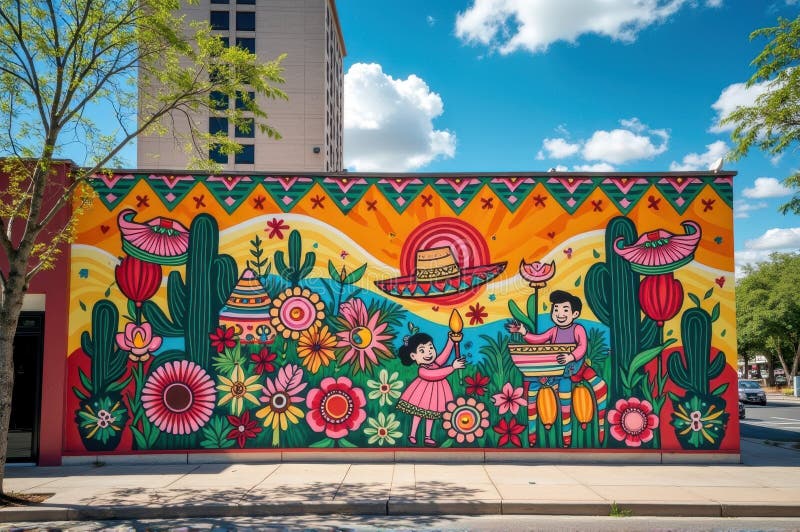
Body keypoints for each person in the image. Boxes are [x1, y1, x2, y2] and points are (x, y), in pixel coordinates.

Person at [506, 290, 607, 448]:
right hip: (554, 371)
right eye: (556, 310)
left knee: (568, 399)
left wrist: (570, 356)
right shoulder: (554, 330)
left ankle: (568, 437)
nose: (559, 314)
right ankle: (532, 435)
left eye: (564, 310)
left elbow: (582, 347)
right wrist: (523, 332)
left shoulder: (577, 329)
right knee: (533, 392)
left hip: (574, 370)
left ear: (574, 313)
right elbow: (538, 339)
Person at [396, 330, 466, 447]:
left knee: (430, 416)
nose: (428, 353)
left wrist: (450, 341)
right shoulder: (422, 370)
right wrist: (452, 367)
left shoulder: (434, 363)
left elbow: (443, 356)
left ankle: (428, 436)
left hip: (435, 396)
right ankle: (412, 434)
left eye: (430, 348)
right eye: (422, 351)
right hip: (422, 394)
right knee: (418, 414)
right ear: (413, 356)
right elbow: (434, 374)